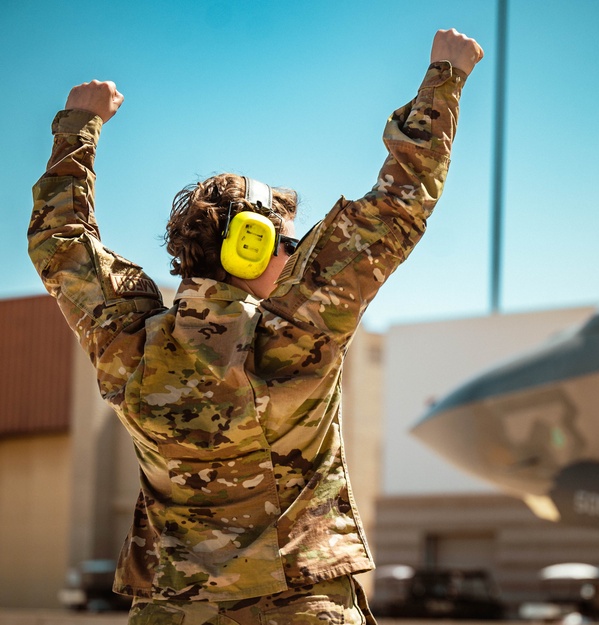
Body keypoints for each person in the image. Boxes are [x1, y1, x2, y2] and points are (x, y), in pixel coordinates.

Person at [28, 28, 482, 625]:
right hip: (301, 607)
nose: (293, 257)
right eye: (286, 243)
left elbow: (59, 243)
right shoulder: (299, 326)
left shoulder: (126, 341)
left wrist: (78, 125)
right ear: (252, 245)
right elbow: (398, 205)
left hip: (170, 611)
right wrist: (446, 76)